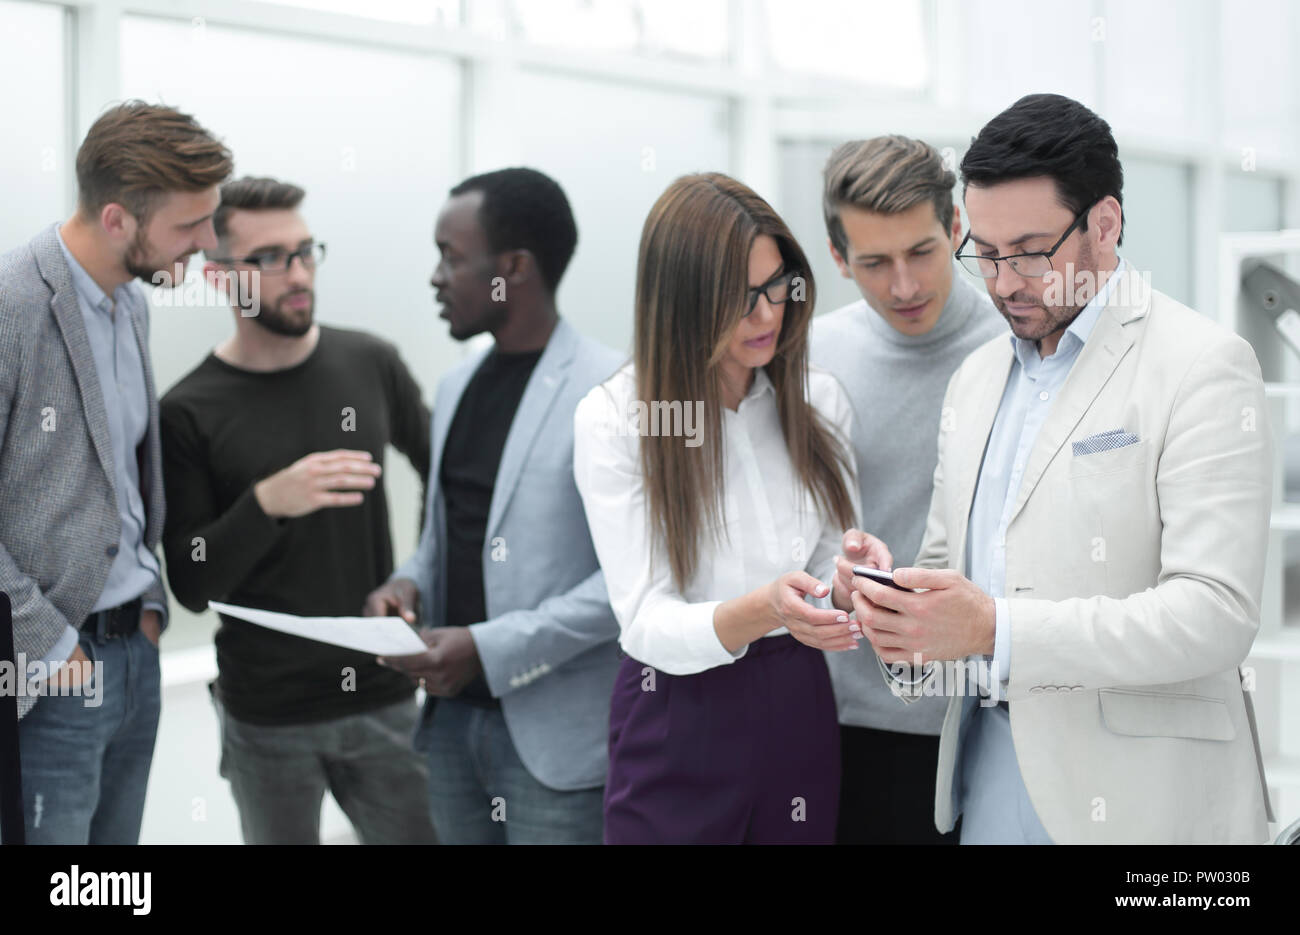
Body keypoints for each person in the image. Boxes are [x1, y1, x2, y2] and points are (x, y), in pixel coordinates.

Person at [841, 93, 1274, 844]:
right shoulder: (975, 378)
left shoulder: (1202, 365)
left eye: (1032, 251)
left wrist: (994, 626)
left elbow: (1213, 613)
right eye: (987, 252)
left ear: (1104, 224)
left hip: (1144, 806)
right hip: (987, 782)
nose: (1005, 281)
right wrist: (893, 608)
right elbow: (949, 571)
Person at [573, 172, 889, 845]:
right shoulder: (616, 419)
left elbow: (828, 572)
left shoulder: (818, 401)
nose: (769, 314)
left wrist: (849, 578)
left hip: (796, 699)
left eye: (778, 286)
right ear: (680, 298)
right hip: (674, 709)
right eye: (742, 298)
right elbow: (644, 620)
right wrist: (766, 607)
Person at [160, 176, 437, 845]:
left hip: (384, 697)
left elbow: (451, 482)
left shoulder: (370, 362)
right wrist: (266, 503)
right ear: (222, 278)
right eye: (270, 258)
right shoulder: (188, 410)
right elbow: (193, 584)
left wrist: (416, 574)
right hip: (266, 715)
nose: (298, 272)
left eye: (306, 250)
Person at [368, 168, 622, 845]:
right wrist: (408, 580)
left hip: (556, 743)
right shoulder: (454, 386)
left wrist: (488, 646)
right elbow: (442, 533)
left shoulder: (615, 389)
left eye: (451, 257)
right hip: (452, 728)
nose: (435, 276)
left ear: (512, 268)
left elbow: (631, 582)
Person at [0, 101, 232, 844]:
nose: (207, 243)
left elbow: (125, 480)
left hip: (136, 651)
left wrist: (153, 605)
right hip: (52, 670)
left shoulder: (133, 301)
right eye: (189, 226)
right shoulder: (11, 306)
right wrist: (52, 647)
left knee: (110, 885)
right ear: (116, 219)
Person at [810, 135, 1005, 845]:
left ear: (956, 230)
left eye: (921, 252)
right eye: (873, 263)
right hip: (846, 724)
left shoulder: (1018, 346)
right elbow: (784, 534)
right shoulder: (808, 357)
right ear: (838, 259)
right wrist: (826, 582)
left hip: (988, 718)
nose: (903, 285)